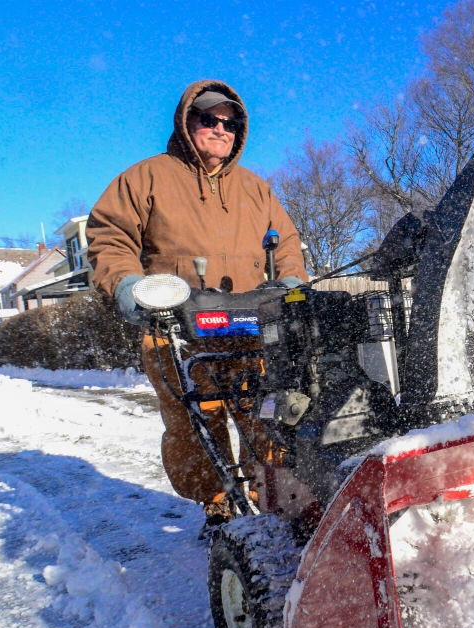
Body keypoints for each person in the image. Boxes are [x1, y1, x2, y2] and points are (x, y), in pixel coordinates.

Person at [86, 80, 308, 530]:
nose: (220, 129)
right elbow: (109, 237)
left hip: (249, 323)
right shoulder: (146, 177)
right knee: (196, 422)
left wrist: (290, 283)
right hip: (178, 328)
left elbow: (286, 242)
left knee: (267, 411)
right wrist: (128, 285)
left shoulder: (255, 188)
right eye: (209, 119)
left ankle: (270, 495)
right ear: (187, 122)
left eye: (231, 123)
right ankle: (218, 504)